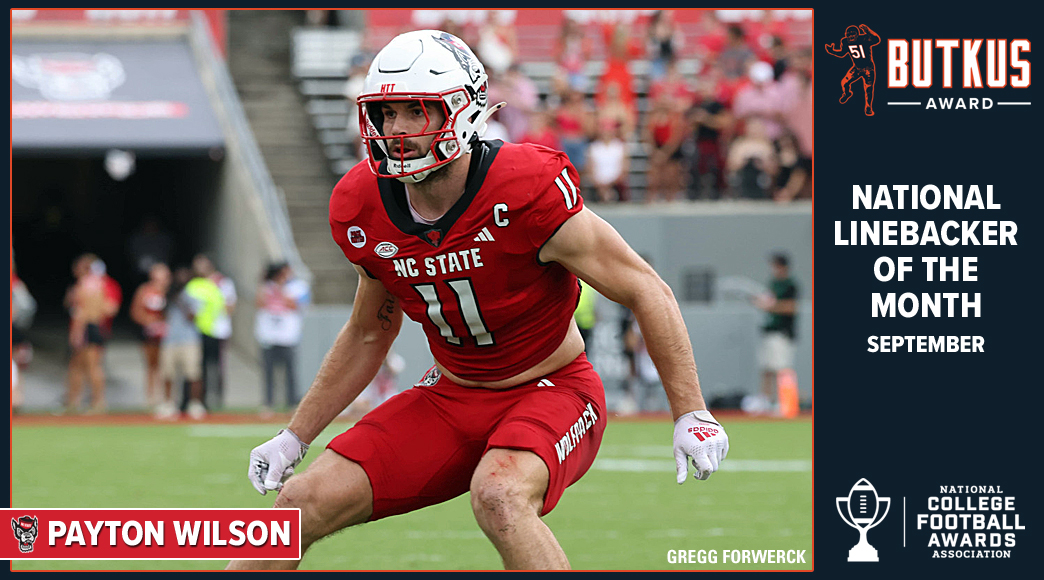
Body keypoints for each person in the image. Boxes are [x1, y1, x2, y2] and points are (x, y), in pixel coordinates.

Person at [228, 30, 728, 572]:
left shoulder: (524, 189)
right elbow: (371, 329)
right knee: (296, 506)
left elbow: (644, 287)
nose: (396, 130)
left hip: (552, 389)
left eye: (415, 112)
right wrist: (295, 436)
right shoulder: (361, 205)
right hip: (450, 395)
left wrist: (690, 410)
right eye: (387, 113)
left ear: (462, 111)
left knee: (500, 496)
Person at [64, 254, 118, 414]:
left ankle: (96, 401)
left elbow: (82, 312)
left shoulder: (86, 285)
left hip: (88, 327)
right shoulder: (98, 284)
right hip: (94, 326)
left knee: (91, 366)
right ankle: (81, 401)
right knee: (80, 365)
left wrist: (77, 332)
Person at [255, 262, 305, 416]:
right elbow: (259, 302)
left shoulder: (297, 286)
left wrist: (281, 288)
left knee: (290, 372)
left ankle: (291, 403)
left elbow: (295, 305)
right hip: (269, 335)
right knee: (268, 372)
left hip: (287, 336)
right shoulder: (266, 287)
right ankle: (268, 403)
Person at [754, 253, 799, 413]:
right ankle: (766, 403)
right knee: (766, 368)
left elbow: (790, 307)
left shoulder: (790, 285)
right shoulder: (773, 284)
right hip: (769, 332)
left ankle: (785, 403)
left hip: (782, 333)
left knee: (782, 368)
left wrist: (769, 306)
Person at [158, 267, 205, 420]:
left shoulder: (192, 296)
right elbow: (162, 314)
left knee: (193, 373)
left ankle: (195, 404)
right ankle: (168, 403)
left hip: (189, 339)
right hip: (170, 339)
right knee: (168, 373)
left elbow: (193, 317)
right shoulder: (169, 296)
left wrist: (182, 301)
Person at [191, 254, 236, 410]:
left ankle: (218, 398)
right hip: (201, 330)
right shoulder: (197, 284)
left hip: (218, 330)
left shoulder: (222, 282)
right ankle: (202, 399)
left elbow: (230, 306)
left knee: (217, 365)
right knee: (201, 366)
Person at [130, 263, 171, 409]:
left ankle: (167, 398)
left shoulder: (171, 291)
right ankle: (151, 397)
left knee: (167, 367)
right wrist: (149, 322)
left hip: (168, 335)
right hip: (150, 335)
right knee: (151, 365)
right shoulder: (145, 290)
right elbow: (136, 311)